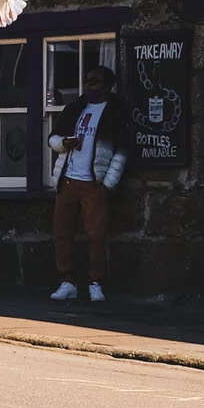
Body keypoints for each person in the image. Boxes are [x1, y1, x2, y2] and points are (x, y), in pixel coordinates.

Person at [48, 65, 132, 304]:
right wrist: (64, 142)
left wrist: (108, 183)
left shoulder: (115, 111)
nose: (90, 84)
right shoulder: (75, 108)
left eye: (95, 81)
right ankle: (67, 282)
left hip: (94, 182)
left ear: (108, 85)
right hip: (68, 179)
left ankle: (96, 282)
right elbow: (52, 139)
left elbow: (122, 149)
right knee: (63, 232)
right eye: (87, 80)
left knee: (96, 235)